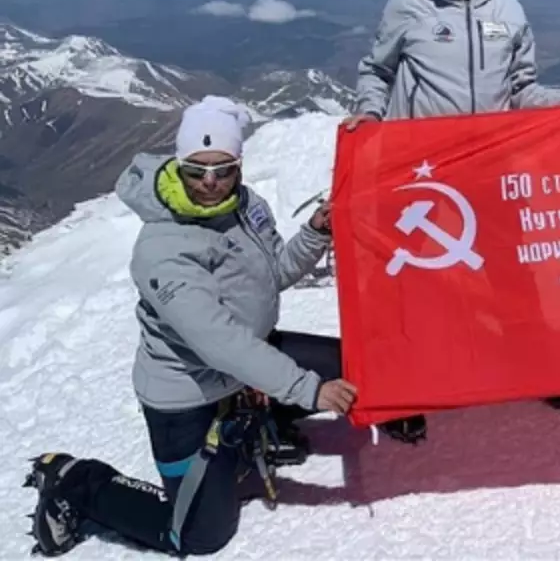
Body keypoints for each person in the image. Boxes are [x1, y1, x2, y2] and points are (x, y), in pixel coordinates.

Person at [23, 96, 360, 557]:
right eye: (196, 170)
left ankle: (253, 429)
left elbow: (272, 274)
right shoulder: (163, 249)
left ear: (239, 165)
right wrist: (306, 389)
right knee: (201, 535)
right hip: (187, 396)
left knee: (350, 365)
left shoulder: (244, 204)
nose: (209, 182)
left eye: (222, 169)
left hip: (243, 362)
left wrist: (315, 233)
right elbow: (218, 341)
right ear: (178, 165)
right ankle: (76, 482)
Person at [342, 0, 560, 443]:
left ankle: (541, 370)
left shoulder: (508, 11)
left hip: (490, 167)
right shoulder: (408, 4)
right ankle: (403, 390)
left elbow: (522, 88)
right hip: (423, 172)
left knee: (514, 276)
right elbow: (377, 69)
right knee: (414, 285)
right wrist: (371, 117)